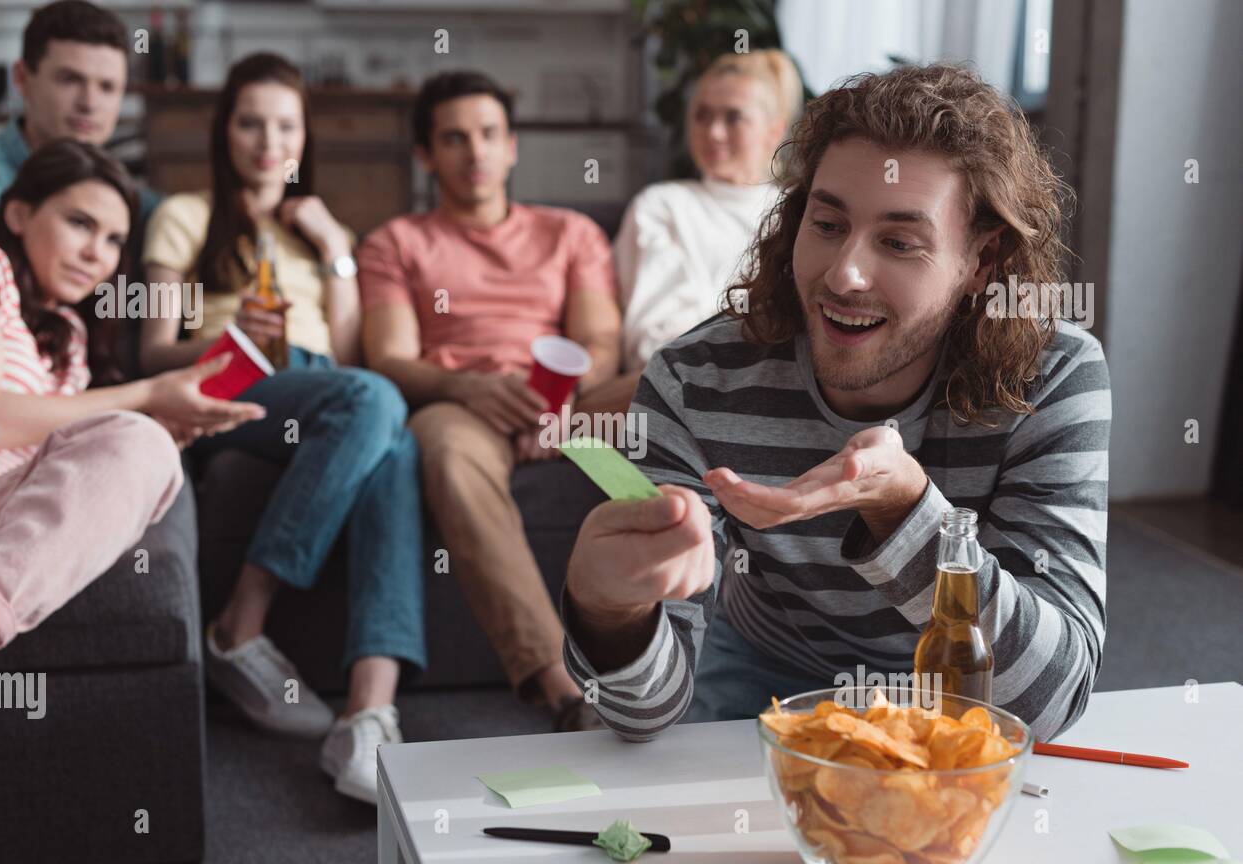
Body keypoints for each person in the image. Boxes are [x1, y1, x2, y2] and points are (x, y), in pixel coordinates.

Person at [562, 65, 1111, 743]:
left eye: (898, 242)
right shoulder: (694, 378)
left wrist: (905, 511)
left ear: (982, 259)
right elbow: (639, 712)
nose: (844, 274)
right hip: (761, 663)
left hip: (951, 688)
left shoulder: (1054, 376)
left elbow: (1053, 698)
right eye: (827, 223)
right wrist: (609, 612)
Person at [141, 53, 423, 805]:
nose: (269, 141)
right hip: (225, 379)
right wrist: (225, 345)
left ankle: (367, 710)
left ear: (305, 138)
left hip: (327, 389)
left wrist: (335, 248)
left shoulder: (319, 231)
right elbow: (149, 350)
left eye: (286, 125)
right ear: (224, 131)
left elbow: (359, 359)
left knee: (393, 436)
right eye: (251, 123)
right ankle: (244, 616)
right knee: (374, 408)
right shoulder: (185, 214)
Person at [0, 140, 264, 797]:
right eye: (80, 223)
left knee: (143, 446)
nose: (98, 252)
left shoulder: (71, 339)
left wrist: (141, 449)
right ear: (19, 212)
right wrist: (148, 393)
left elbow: (59, 471)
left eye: (116, 238)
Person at [359, 71, 621, 732]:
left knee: (665, 407)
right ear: (426, 154)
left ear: (511, 146)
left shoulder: (571, 233)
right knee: (446, 457)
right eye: (453, 138)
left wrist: (560, 407)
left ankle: (694, 652)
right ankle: (562, 686)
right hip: (460, 402)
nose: (474, 152)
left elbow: (599, 339)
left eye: (487, 134)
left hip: (568, 400)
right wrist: (465, 386)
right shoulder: (395, 243)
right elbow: (389, 357)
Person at [582, 50, 802, 414]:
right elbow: (652, 335)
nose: (713, 132)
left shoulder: (800, 211)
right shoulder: (663, 204)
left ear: (773, 131)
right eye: (702, 116)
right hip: (671, 379)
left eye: (734, 117)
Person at [0, 0, 162, 235]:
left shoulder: (140, 206)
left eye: (107, 87)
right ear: (22, 79)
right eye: (69, 80)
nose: (89, 103)